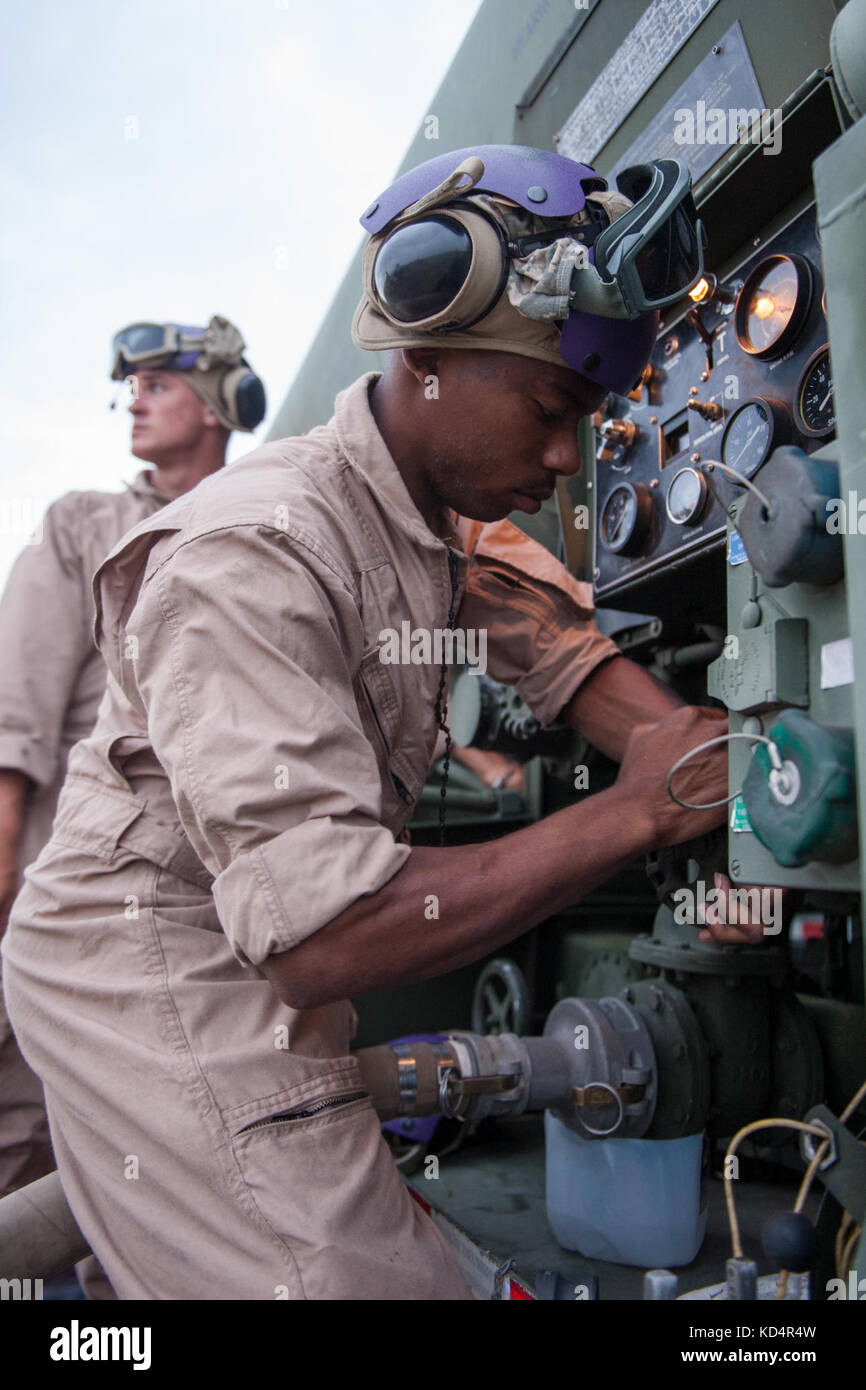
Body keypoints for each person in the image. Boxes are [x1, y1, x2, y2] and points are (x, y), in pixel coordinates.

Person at [3, 146, 731, 1301]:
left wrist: (708, 760)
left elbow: (569, 658)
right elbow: (323, 938)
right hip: (154, 951)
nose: (562, 462)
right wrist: (635, 813)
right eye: (551, 409)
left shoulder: (435, 519)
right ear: (428, 351)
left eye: (586, 422)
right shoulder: (259, 549)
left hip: (267, 926)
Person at [0, 316, 265, 1212]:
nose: (136, 401)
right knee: (16, 1129)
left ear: (225, 401)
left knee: (153, 1161)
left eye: (159, 383)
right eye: (132, 386)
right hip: (49, 871)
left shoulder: (258, 520)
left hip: (191, 908)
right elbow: (17, 699)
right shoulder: (87, 523)